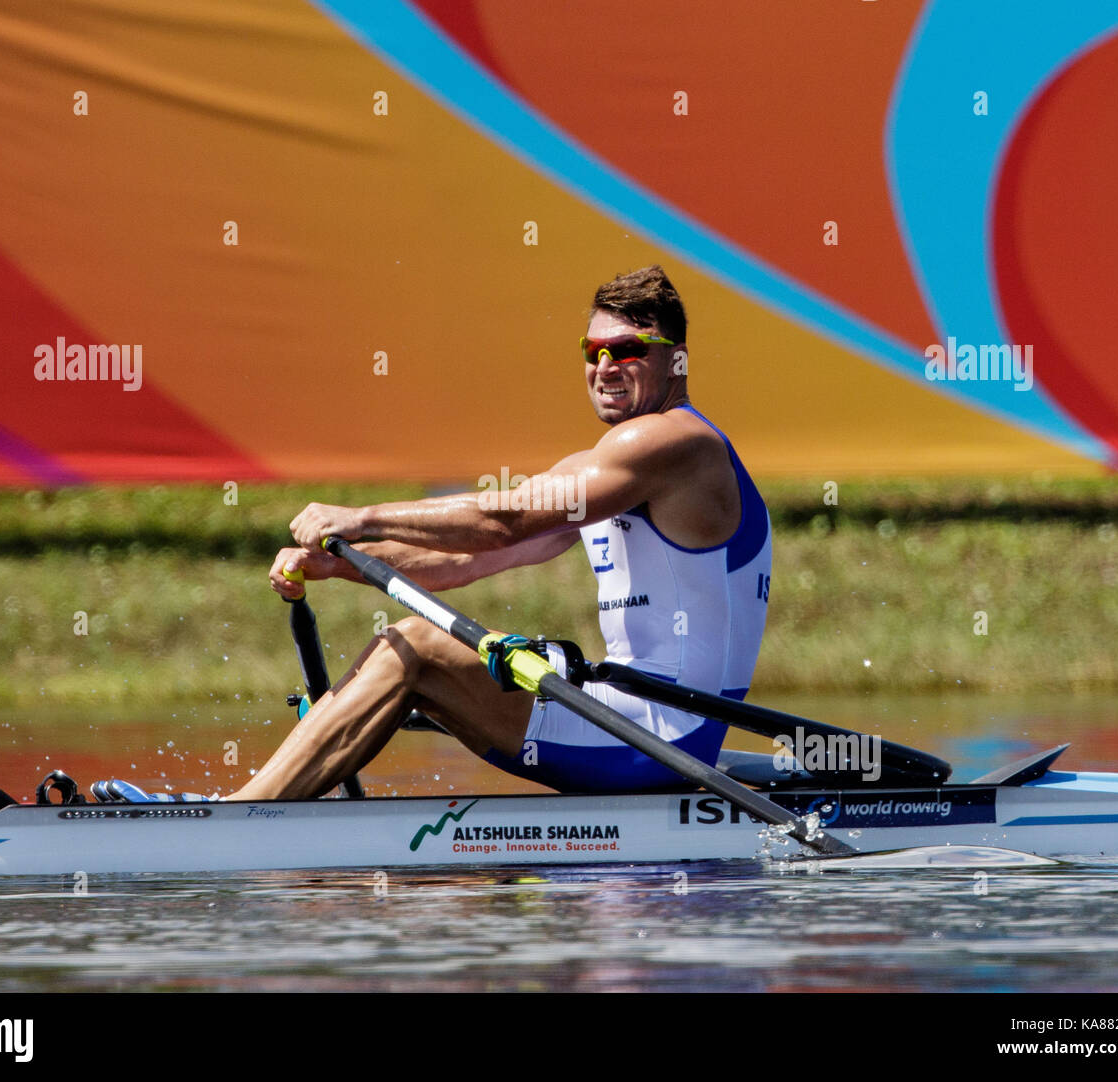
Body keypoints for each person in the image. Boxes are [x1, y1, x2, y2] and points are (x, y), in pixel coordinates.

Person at [92, 266, 771, 804]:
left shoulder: (676, 445)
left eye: (627, 350)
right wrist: (343, 566)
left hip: (660, 740)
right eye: (592, 351)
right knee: (411, 641)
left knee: (414, 646)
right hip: (632, 723)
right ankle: (265, 806)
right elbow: (471, 557)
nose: (604, 366)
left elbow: (503, 517)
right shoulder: (613, 466)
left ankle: (240, 815)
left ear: (675, 361)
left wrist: (358, 517)